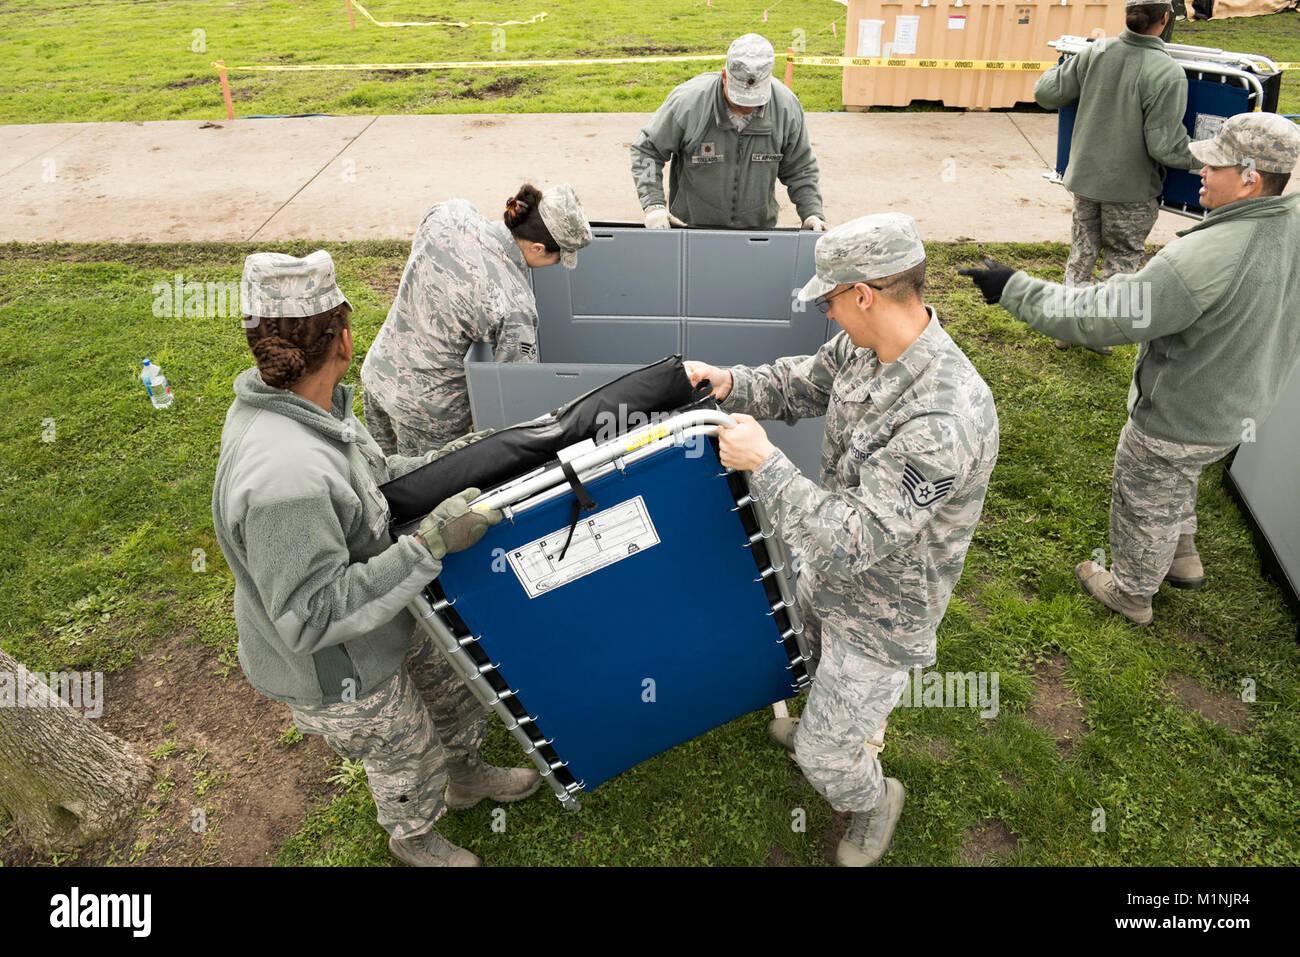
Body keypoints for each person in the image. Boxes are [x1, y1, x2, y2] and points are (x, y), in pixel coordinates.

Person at [686, 215, 999, 866]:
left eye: (829, 299)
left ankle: (871, 794)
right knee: (809, 668)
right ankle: (837, 725)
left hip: (884, 613)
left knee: (823, 753)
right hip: (828, 580)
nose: (826, 314)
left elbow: (854, 539)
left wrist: (764, 463)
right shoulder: (868, 345)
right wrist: (731, 382)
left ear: (864, 294)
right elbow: (805, 381)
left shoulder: (941, 416)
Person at [213, 250, 542, 868]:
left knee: (453, 690)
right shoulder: (285, 476)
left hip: (384, 612)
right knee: (405, 752)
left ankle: (467, 777)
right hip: (334, 665)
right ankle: (415, 840)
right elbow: (311, 615)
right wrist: (430, 545)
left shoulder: (319, 409)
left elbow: (377, 484)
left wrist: (460, 460)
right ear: (343, 336)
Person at [959, 112, 1300, 627]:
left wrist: (1012, 288)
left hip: (1179, 416)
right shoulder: (1289, 220)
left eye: (1215, 166)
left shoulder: (1202, 258)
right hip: (1240, 407)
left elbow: (1098, 319)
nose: (1200, 172)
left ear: (1251, 178)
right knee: (1181, 475)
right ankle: (1182, 553)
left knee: (1145, 494)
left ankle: (1132, 592)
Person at [361, 183, 592, 456]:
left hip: (378, 375)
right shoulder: (514, 303)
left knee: (380, 484)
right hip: (430, 418)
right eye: (557, 258)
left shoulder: (451, 212)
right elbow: (515, 389)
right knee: (422, 494)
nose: (555, 266)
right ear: (538, 248)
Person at [1034, 0, 1197, 354]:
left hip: (1085, 181)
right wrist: (1209, 156)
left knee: (1082, 252)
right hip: (1132, 190)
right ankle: (1096, 333)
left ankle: (1067, 327)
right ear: (1165, 19)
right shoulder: (1167, 72)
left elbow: (1045, 93)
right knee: (1121, 260)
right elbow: (1165, 147)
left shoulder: (1098, 51)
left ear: (1126, 15)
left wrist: (1074, 55)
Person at [629, 33, 826, 231]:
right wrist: (654, 205)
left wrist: (812, 213)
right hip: (690, 230)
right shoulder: (688, 103)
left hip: (757, 234)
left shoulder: (786, 108)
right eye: (740, 99)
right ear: (725, 76)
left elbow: (801, 168)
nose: (748, 106)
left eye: (756, 100)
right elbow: (647, 149)